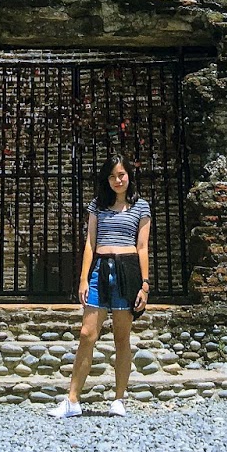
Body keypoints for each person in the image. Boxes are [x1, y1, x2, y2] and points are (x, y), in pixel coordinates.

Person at [52, 153, 150, 417]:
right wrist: (83, 278)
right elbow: (90, 243)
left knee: (122, 338)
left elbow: (142, 247)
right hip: (100, 269)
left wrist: (145, 284)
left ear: (129, 175)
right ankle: (72, 401)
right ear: (106, 180)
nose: (117, 180)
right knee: (87, 333)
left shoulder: (141, 207)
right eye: (112, 176)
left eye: (121, 174)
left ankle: (118, 399)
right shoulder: (97, 206)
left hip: (127, 271)